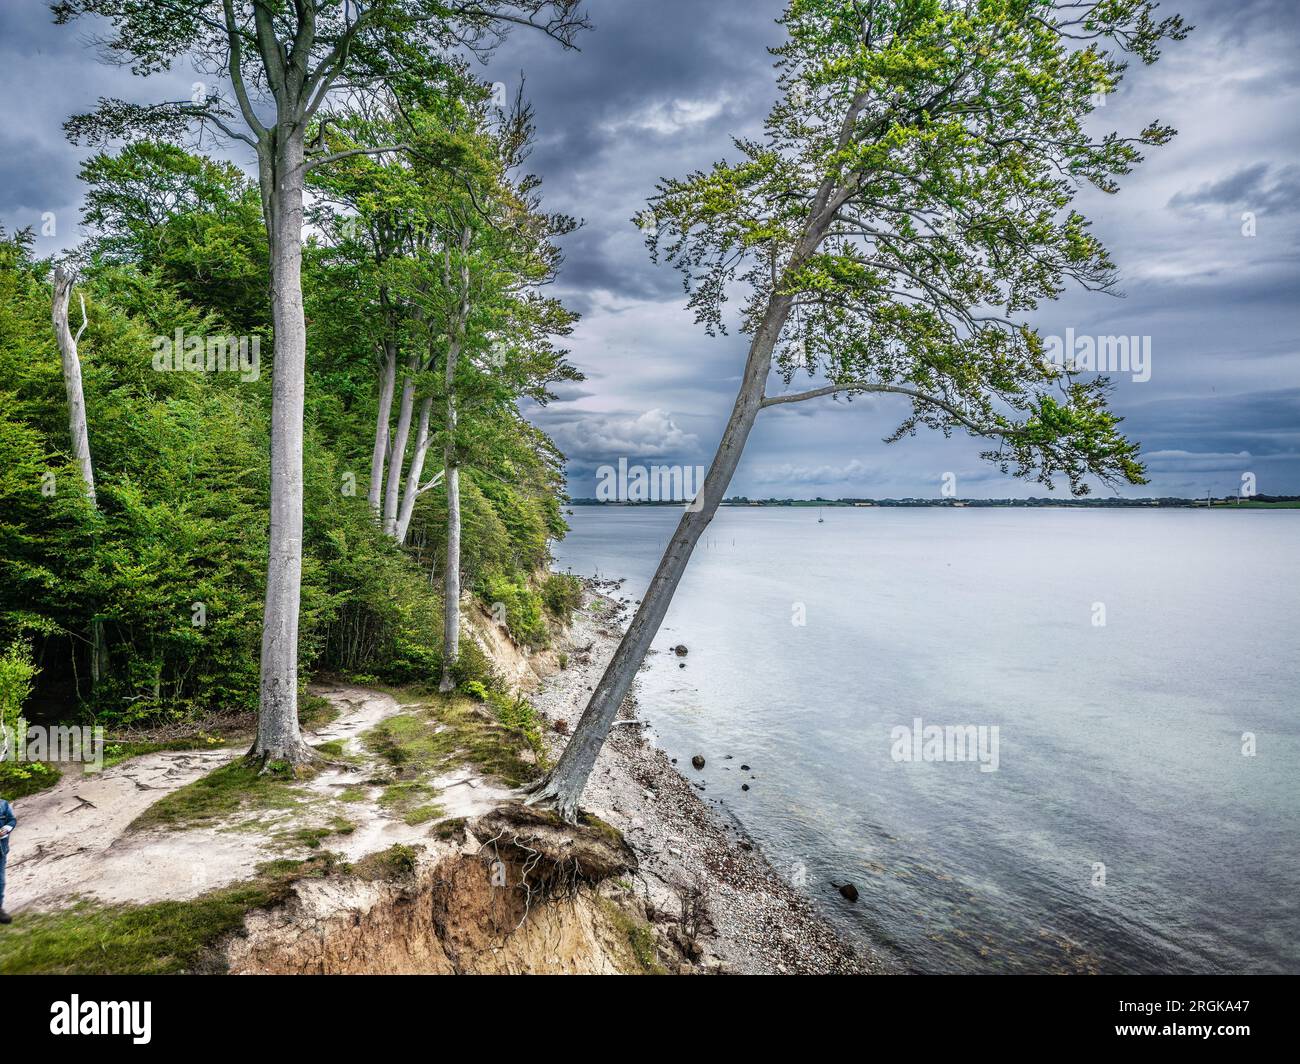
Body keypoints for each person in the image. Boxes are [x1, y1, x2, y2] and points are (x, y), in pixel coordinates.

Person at [0, 796, 15, 924]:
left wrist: (5, 829)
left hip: (1, 850)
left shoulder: (3, 805)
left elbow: (12, 820)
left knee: (1, 882)